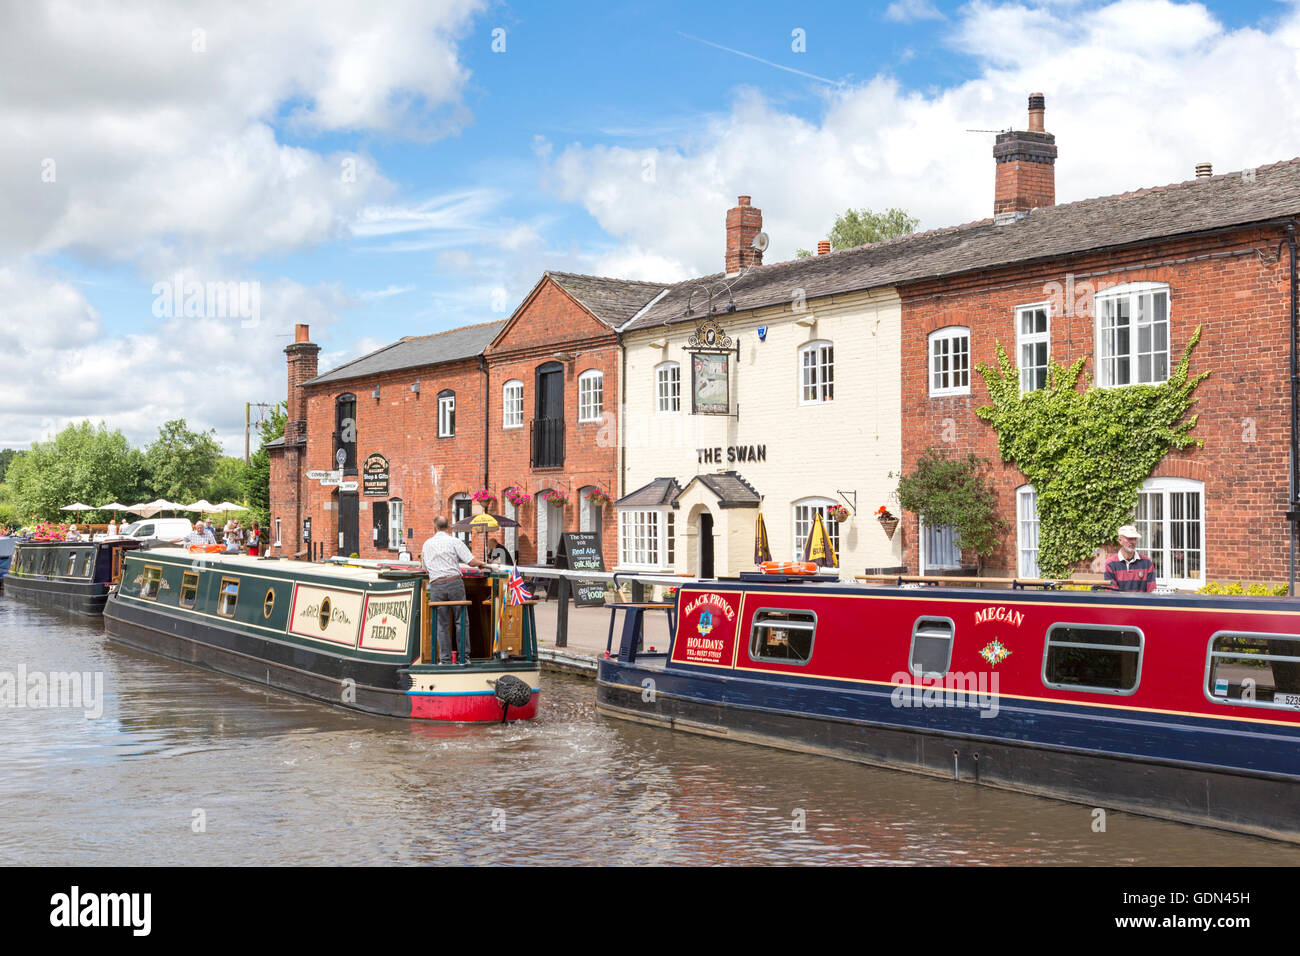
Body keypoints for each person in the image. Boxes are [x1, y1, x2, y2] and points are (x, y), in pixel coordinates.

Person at [421, 515, 490, 665]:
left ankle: (444, 660)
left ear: (435, 527)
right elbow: (471, 561)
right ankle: (463, 659)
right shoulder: (454, 541)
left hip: (437, 585)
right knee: (461, 621)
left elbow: (425, 568)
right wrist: (484, 564)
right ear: (449, 527)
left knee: (441, 623)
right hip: (454, 583)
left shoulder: (427, 544)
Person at [1104, 524, 1157, 592]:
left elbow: (1152, 592)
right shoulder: (1110, 564)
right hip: (1119, 603)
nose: (1133, 542)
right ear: (1120, 540)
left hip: (1142, 602)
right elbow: (1112, 594)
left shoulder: (1147, 563)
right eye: (1129, 538)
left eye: (1135, 538)